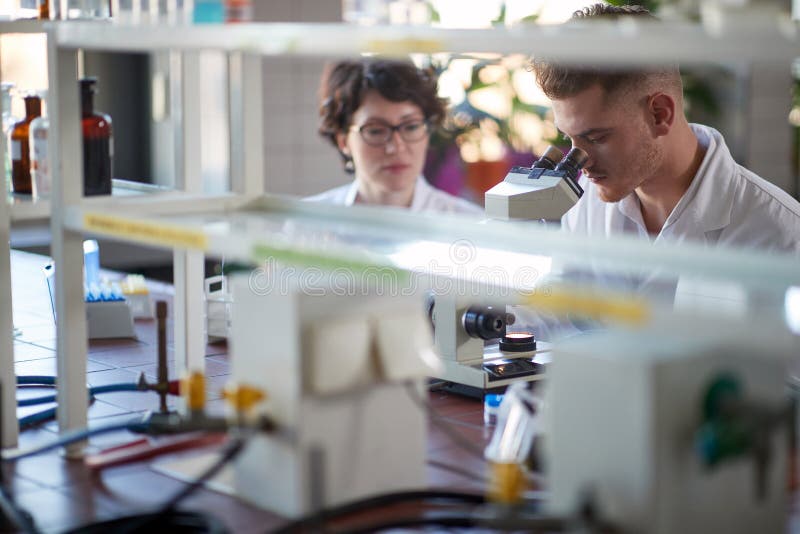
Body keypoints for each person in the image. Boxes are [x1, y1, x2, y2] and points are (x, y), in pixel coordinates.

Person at [532, 3, 800, 255]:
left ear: (660, 114)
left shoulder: (781, 236)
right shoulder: (587, 201)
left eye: (596, 137)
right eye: (570, 138)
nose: (581, 161)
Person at [307, 58, 481, 214]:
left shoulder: (468, 224)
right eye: (375, 131)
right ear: (343, 141)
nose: (396, 147)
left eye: (411, 127)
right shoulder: (308, 224)